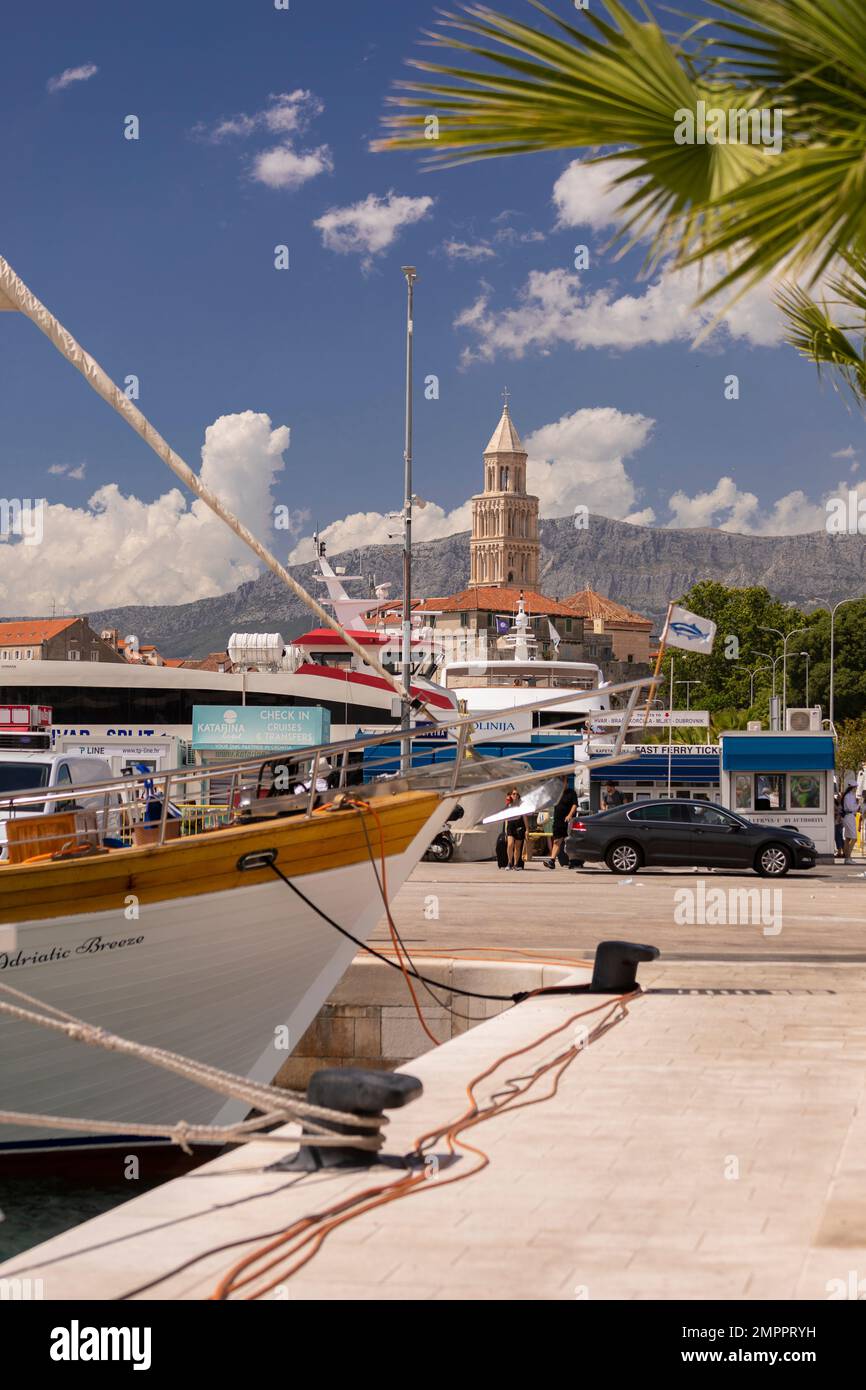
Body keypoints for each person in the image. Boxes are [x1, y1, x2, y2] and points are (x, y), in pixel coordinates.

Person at [546, 778, 577, 869]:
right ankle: (552, 862)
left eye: (563, 782)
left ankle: (572, 861)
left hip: (568, 821)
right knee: (556, 841)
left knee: (569, 842)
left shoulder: (572, 793)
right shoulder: (557, 793)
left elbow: (574, 805)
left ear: (566, 782)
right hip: (558, 821)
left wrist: (570, 815)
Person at [505, 787, 528, 870]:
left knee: (517, 847)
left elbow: (525, 817)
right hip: (511, 826)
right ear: (511, 795)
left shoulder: (522, 805)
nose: (515, 795)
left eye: (517, 794)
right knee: (510, 844)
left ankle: (515, 864)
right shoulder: (508, 805)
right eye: (514, 794)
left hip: (520, 826)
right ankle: (509, 862)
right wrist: (505, 830)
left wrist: (527, 830)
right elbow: (506, 818)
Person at [842, 782, 859, 861]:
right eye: (856, 787)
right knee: (854, 838)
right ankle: (848, 858)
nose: (856, 789)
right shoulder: (849, 796)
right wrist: (858, 805)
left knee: (848, 838)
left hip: (849, 816)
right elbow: (851, 808)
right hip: (849, 816)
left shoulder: (850, 795)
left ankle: (847, 858)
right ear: (853, 787)